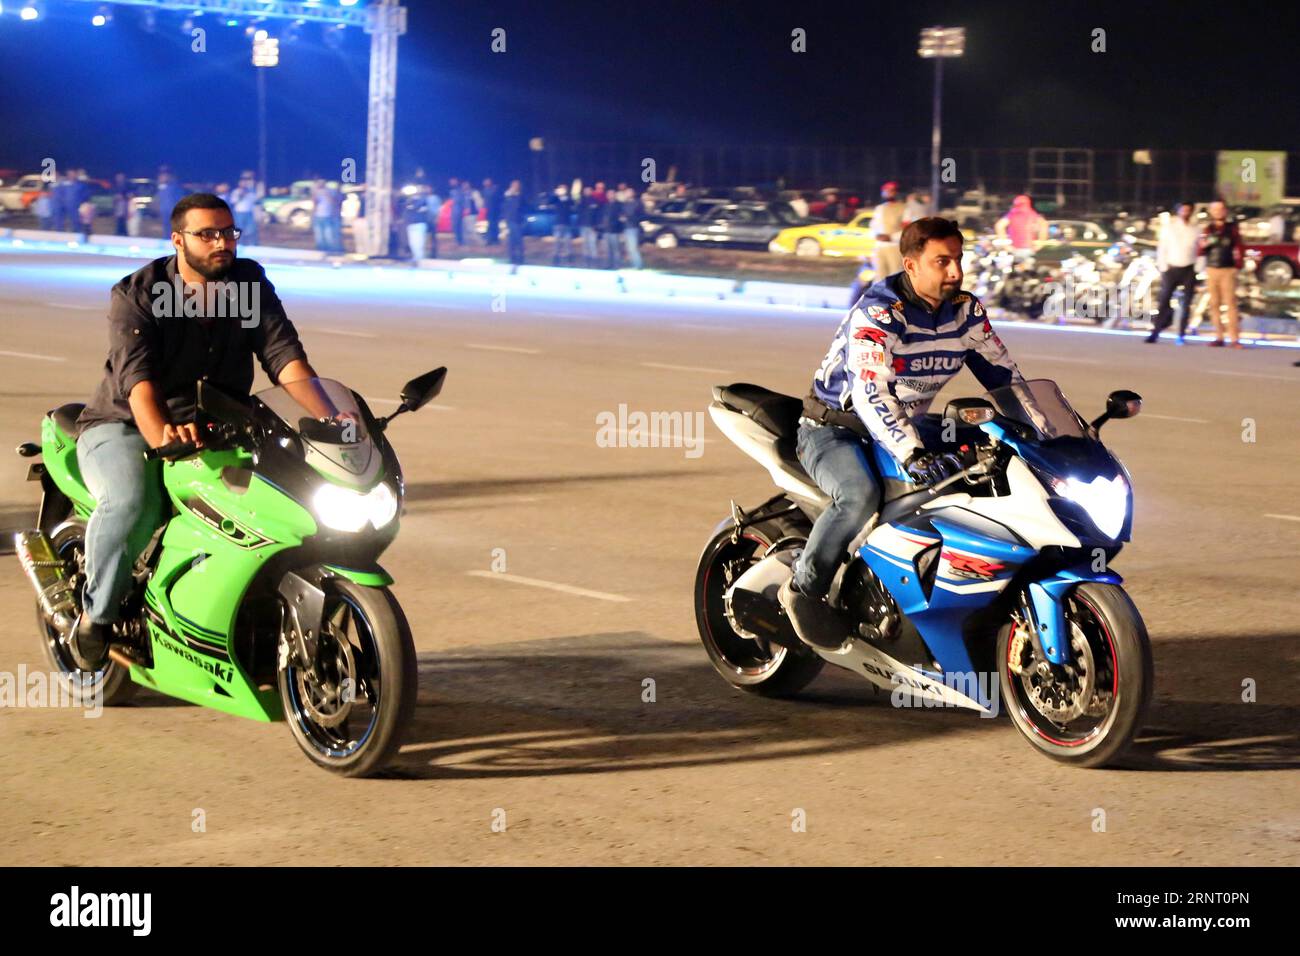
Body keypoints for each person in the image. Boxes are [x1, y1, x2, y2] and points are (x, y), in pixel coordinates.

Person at [67, 193, 319, 670]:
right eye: (208, 234)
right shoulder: (138, 294)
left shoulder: (248, 284)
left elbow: (285, 359)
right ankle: (95, 619)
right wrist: (162, 435)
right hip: (126, 426)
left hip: (220, 425)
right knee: (132, 502)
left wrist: (331, 418)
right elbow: (138, 383)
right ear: (178, 239)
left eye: (228, 232)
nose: (222, 243)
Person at [778, 217, 1025, 648]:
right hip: (836, 428)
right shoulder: (879, 312)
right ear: (910, 266)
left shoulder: (965, 312)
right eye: (942, 262)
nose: (955, 272)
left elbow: (1006, 379)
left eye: (958, 260)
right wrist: (912, 453)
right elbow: (871, 392)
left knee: (991, 459)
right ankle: (804, 588)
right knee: (859, 496)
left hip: (904, 424)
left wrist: (1047, 433)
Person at [1147, 201, 1201, 344]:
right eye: (1183, 210)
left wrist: (1198, 268)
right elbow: (1162, 248)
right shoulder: (1169, 228)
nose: (1185, 213)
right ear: (1178, 211)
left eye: (1188, 210)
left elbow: (1200, 250)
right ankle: (1155, 332)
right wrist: (1163, 267)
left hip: (1189, 268)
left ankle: (1181, 335)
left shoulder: (1196, 229)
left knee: (1186, 304)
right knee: (1164, 301)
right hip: (1171, 268)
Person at [1200, 199, 1244, 348]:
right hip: (1212, 269)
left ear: (1225, 211)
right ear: (1211, 212)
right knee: (1214, 304)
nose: (1218, 212)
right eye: (1215, 209)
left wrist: (1237, 266)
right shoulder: (1207, 229)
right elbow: (1200, 250)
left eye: (1220, 209)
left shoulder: (1232, 229)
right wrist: (1206, 244)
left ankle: (1234, 338)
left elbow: (1240, 248)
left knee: (1231, 303)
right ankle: (1219, 336)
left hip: (1228, 269)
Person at [869, 181, 906, 278]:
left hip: (895, 247)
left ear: (896, 193)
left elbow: (907, 229)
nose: (888, 193)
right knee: (879, 276)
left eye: (891, 191)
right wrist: (876, 235)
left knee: (895, 276)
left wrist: (891, 237)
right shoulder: (879, 209)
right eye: (886, 191)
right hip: (879, 248)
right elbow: (873, 226)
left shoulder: (904, 208)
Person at [996, 194, 1047, 260]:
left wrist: (1005, 245)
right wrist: (1041, 243)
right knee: (1028, 267)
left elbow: (999, 226)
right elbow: (1044, 224)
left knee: (1016, 267)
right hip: (1030, 248)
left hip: (1015, 248)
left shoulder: (1011, 215)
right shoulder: (1032, 214)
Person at [229, 171, 263, 246]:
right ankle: (238, 244)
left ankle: (252, 244)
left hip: (249, 213)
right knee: (239, 229)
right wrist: (241, 195)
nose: (245, 183)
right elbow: (233, 201)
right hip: (239, 213)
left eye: (246, 181)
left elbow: (256, 200)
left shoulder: (251, 192)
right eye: (242, 182)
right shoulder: (236, 191)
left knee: (251, 230)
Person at [619, 185, 644, 270]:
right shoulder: (624, 204)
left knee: (633, 248)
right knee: (628, 248)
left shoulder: (637, 203)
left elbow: (640, 216)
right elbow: (622, 213)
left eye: (628, 192)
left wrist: (628, 218)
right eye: (626, 192)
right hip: (625, 228)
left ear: (632, 193)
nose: (626, 194)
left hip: (633, 227)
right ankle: (634, 264)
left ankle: (638, 265)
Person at [154, 170, 184, 239]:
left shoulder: (174, 189)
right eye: (160, 174)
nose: (160, 176)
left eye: (164, 174)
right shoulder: (162, 189)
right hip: (165, 217)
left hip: (171, 216)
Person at [405, 186, 431, 266]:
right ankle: (416, 259)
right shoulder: (410, 200)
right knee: (413, 243)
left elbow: (415, 207)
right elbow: (408, 208)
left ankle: (420, 260)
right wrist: (412, 207)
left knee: (419, 243)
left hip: (419, 224)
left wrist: (413, 207)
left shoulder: (423, 199)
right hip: (411, 224)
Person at [502, 180, 526, 265]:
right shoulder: (507, 196)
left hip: (518, 221)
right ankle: (512, 258)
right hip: (510, 220)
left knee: (519, 240)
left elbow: (523, 206)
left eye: (517, 185)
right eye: (514, 185)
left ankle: (520, 258)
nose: (515, 187)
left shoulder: (520, 196)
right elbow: (505, 207)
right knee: (511, 241)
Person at [577, 186, 601, 267]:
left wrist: (596, 226)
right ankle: (586, 260)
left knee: (592, 243)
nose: (587, 192)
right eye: (585, 190)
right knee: (585, 244)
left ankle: (594, 260)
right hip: (583, 226)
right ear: (584, 192)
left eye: (588, 190)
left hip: (592, 227)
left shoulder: (595, 201)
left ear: (591, 191)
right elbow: (579, 213)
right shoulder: (581, 201)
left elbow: (597, 215)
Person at [551, 184, 574, 265]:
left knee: (568, 242)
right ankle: (556, 258)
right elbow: (549, 201)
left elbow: (573, 203)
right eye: (561, 189)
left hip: (567, 223)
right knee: (557, 242)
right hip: (557, 223)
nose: (562, 190)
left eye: (564, 189)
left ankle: (569, 258)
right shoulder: (556, 198)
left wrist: (567, 196)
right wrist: (555, 194)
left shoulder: (568, 199)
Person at [600, 190, 622, 268]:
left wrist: (615, 225)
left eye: (612, 194)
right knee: (607, 250)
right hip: (606, 231)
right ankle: (608, 265)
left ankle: (617, 265)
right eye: (608, 194)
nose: (610, 195)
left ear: (614, 195)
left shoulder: (619, 205)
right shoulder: (605, 205)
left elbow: (620, 217)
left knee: (616, 249)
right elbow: (603, 216)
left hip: (614, 230)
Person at [482, 177, 503, 245]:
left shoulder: (495, 189)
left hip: (495, 210)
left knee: (495, 224)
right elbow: (486, 200)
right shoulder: (485, 190)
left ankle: (495, 239)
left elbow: (498, 199)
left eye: (487, 181)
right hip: (489, 210)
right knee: (490, 225)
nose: (485, 183)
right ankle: (490, 239)